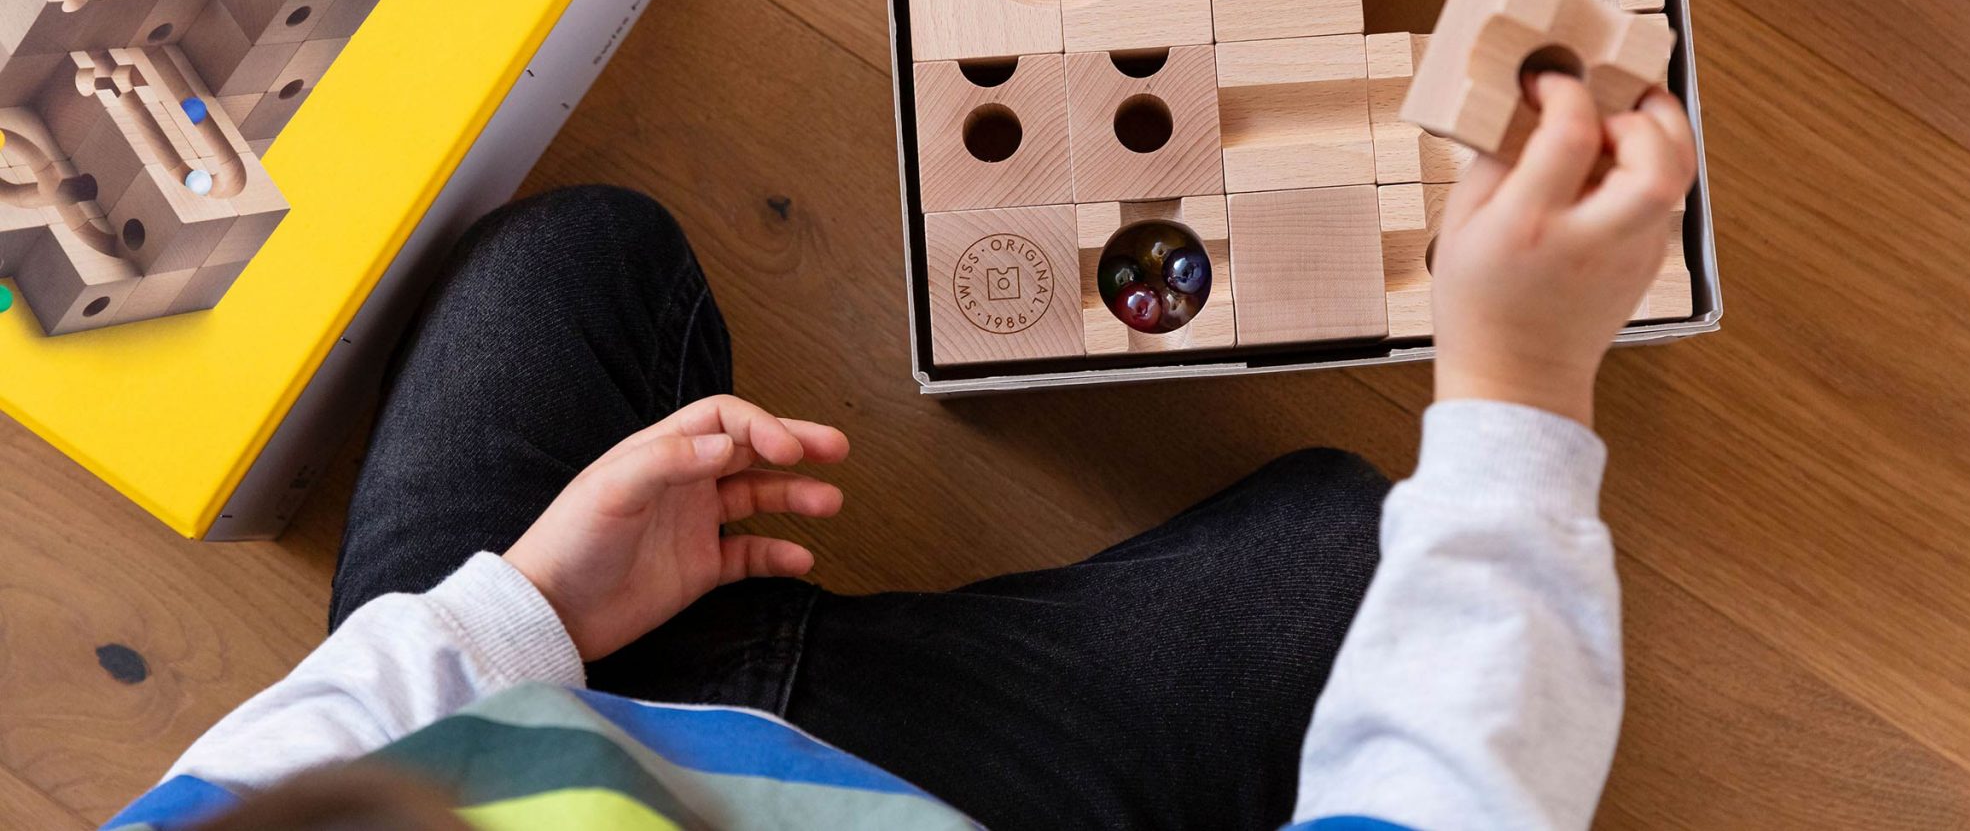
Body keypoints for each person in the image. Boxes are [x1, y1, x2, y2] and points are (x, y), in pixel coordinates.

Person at [106, 74, 1696, 831]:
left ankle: (641, 668)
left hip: (564, 701)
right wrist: (1518, 395)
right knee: (1353, 549)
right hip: (933, 796)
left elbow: (266, 775)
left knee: (567, 260)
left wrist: (521, 611)